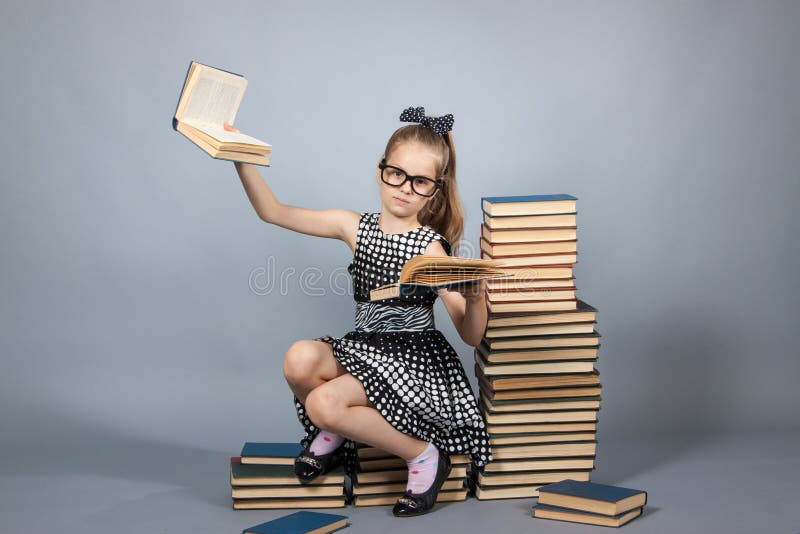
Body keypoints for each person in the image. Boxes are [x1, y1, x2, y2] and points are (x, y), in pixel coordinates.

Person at [227, 106, 492, 517]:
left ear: (434, 191)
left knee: (323, 404)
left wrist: (475, 298)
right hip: (365, 349)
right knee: (298, 359)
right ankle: (334, 432)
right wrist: (239, 155)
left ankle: (424, 454)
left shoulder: (430, 246)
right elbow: (272, 211)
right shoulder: (354, 226)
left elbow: (471, 336)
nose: (405, 188)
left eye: (420, 181)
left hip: (412, 361)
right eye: (396, 174)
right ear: (380, 170)